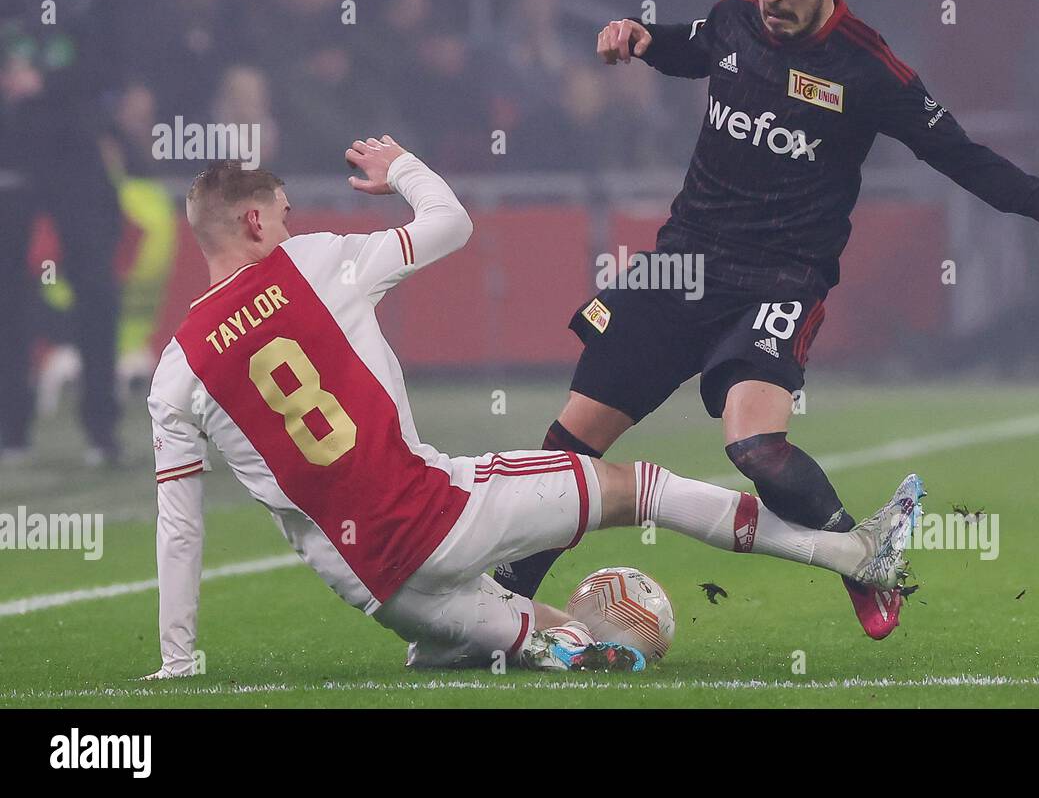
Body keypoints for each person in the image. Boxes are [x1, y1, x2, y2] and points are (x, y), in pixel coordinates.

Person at [495, 0, 1039, 640]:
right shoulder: (734, 18)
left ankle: (864, 558)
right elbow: (689, 46)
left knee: (754, 448)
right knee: (570, 442)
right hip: (681, 265)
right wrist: (639, 39)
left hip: (779, 279)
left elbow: (958, 152)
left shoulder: (868, 66)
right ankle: (502, 604)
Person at [143, 136, 920, 678]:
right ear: (253, 222)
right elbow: (449, 223)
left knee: (563, 638)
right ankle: (851, 553)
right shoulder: (315, 263)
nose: (290, 224)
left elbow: (179, 528)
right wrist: (400, 166)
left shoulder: (176, 373)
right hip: (444, 515)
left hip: (381, 591)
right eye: (280, 213)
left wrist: (179, 661)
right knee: (640, 487)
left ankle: (498, 640)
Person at [0, 0, 124, 463]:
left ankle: (101, 425)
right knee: (6, 284)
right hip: (10, 139)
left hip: (73, 137)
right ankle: (10, 426)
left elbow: (110, 56)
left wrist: (47, 78)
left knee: (95, 281)